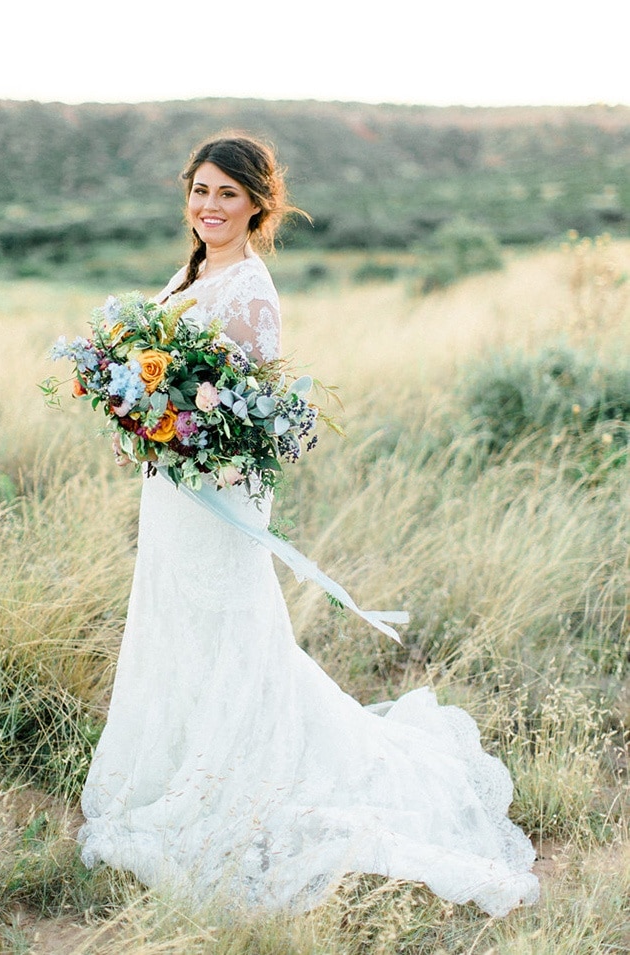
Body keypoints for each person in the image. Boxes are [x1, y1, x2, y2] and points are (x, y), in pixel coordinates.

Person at [77, 135, 540, 916]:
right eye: (200, 190)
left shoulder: (250, 290)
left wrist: (189, 440)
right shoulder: (193, 269)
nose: (210, 206)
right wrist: (140, 420)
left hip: (217, 500)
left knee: (228, 631)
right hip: (173, 492)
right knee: (177, 626)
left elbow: (257, 422)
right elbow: (168, 376)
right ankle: (180, 762)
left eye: (228, 193)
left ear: (259, 203)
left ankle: (239, 781)